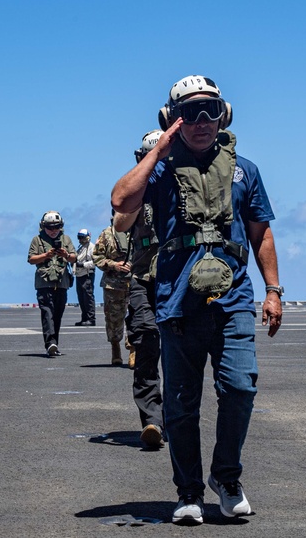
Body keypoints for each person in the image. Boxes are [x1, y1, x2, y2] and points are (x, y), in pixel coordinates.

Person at [110, 75, 283, 525]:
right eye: (190, 112)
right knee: (181, 405)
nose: (202, 121)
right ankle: (187, 491)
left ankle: (226, 478)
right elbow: (121, 204)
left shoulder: (245, 170)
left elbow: (260, 231)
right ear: (173, 119)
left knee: (241, 387)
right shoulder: (161, 171)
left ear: (224, 114)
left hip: (233, 298)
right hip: (175, 301)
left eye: (210, 110)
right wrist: (158, 150)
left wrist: (273, 290)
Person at [115, 130, 165, 449]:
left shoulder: (186, 188)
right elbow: (120, 222)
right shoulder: (135, 191)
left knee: (179, 351)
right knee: (146, 339)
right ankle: (152, 421)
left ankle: (175, 418)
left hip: (180, 279)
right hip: (144, 276)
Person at [27, 211, 77, 357]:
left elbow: (74, 258)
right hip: (44, 283)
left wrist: (66, 255)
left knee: (57, 314)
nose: (54, 230)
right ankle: (50, 343)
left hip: (61, 283)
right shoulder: (37, 240)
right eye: (50, 227)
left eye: (57, 227)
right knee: (47, 312)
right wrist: (45, 256)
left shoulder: (66, 239)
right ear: (43, 227)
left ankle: (54, 343)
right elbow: (31, 259)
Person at [94, 221, 131, 365]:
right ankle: (115, 347)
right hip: (113, 285)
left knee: (139, 316)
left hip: (137, 281)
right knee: (114, 319)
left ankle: (134, 348)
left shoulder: (141, 231)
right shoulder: (107, 234)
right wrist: (114, 265)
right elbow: (97, 256)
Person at [73, 229, 97, 326]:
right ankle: (84, 318)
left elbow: (96, 262)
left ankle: (91, 319)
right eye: (79, 237)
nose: (80, 239)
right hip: (79, 275)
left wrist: (83, 265)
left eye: (82, 237)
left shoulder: (92, 248)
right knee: (81, 298)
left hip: (87, 275)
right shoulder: (80, 248)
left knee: (88, 297)